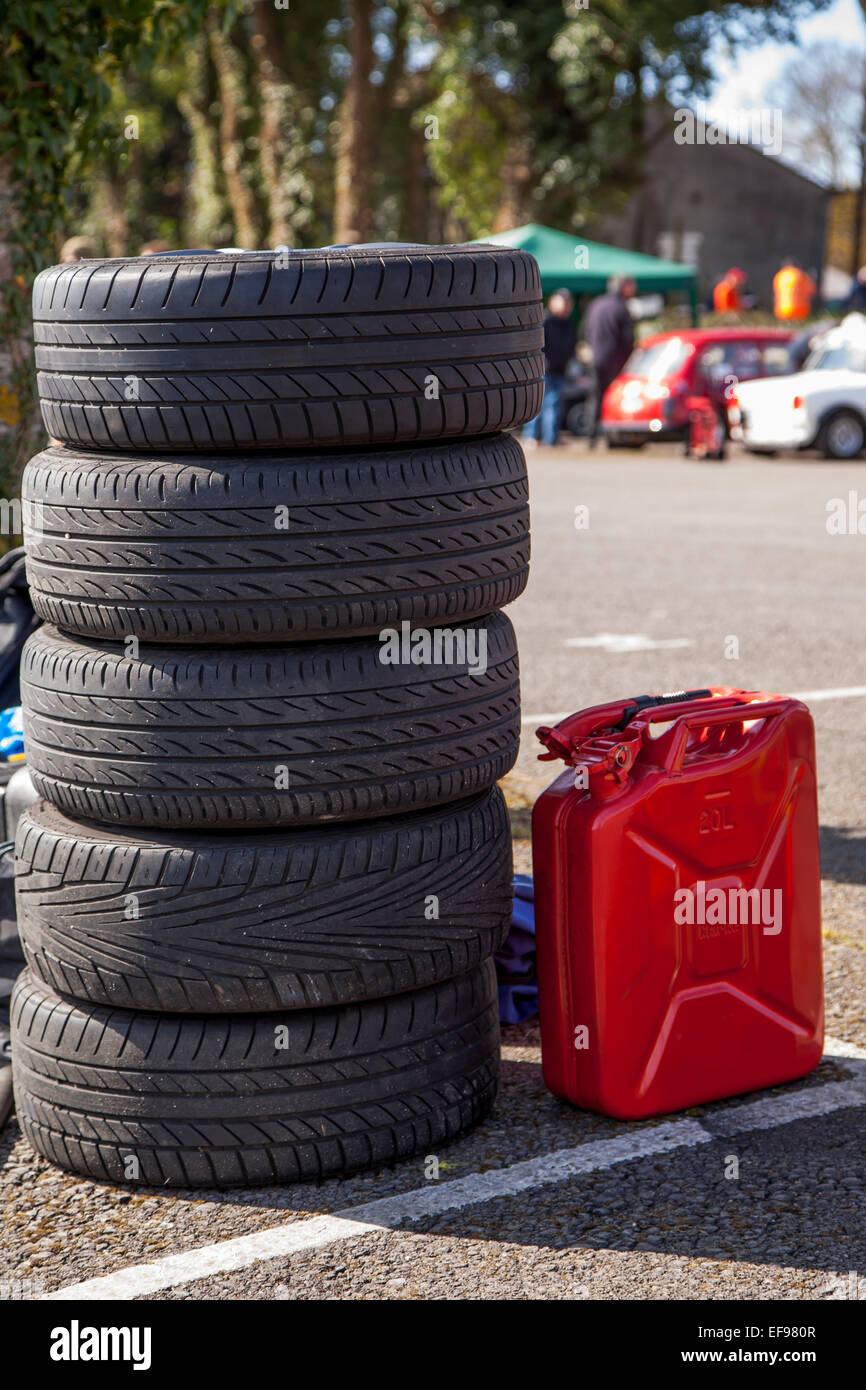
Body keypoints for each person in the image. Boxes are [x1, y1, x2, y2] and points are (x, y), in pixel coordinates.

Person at [583, 275, 636, 446]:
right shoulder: (621, 307)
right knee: (613, 398)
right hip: (614, 361)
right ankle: (611, 438)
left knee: (595, 397)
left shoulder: (597, 304)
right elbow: (628, 339)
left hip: (596, 358)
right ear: (624, 287)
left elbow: (587, 331)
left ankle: (591, 435)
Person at [522, 289, 577, 448]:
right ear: (553, 302)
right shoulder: (545, 321)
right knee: (539, 405)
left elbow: (571, 346)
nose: (566, 306)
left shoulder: (568, 324)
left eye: (568, 303)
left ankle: (551, 438)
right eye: (563, 302)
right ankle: (532, 436)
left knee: (555, 406)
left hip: (560, 370)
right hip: (544, 370)